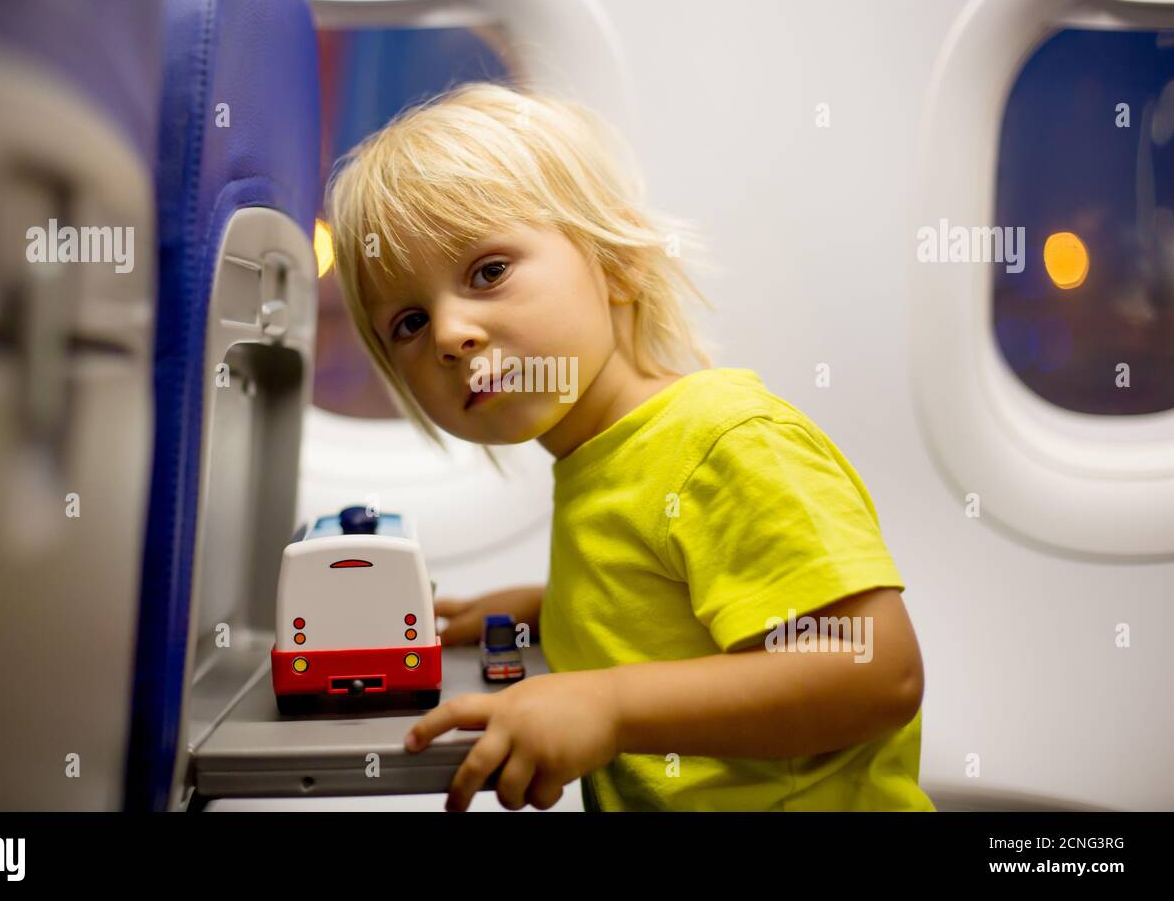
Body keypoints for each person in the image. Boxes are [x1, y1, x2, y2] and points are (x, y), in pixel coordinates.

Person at [322, 81, 933, 812]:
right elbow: (679, 607)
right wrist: (556, 610)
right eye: (411, 323)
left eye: (489, 272)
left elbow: (875, 672)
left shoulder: (722, 440)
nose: (452, 334)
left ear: (616, 263)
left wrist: (607, 705)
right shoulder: (599, 460)